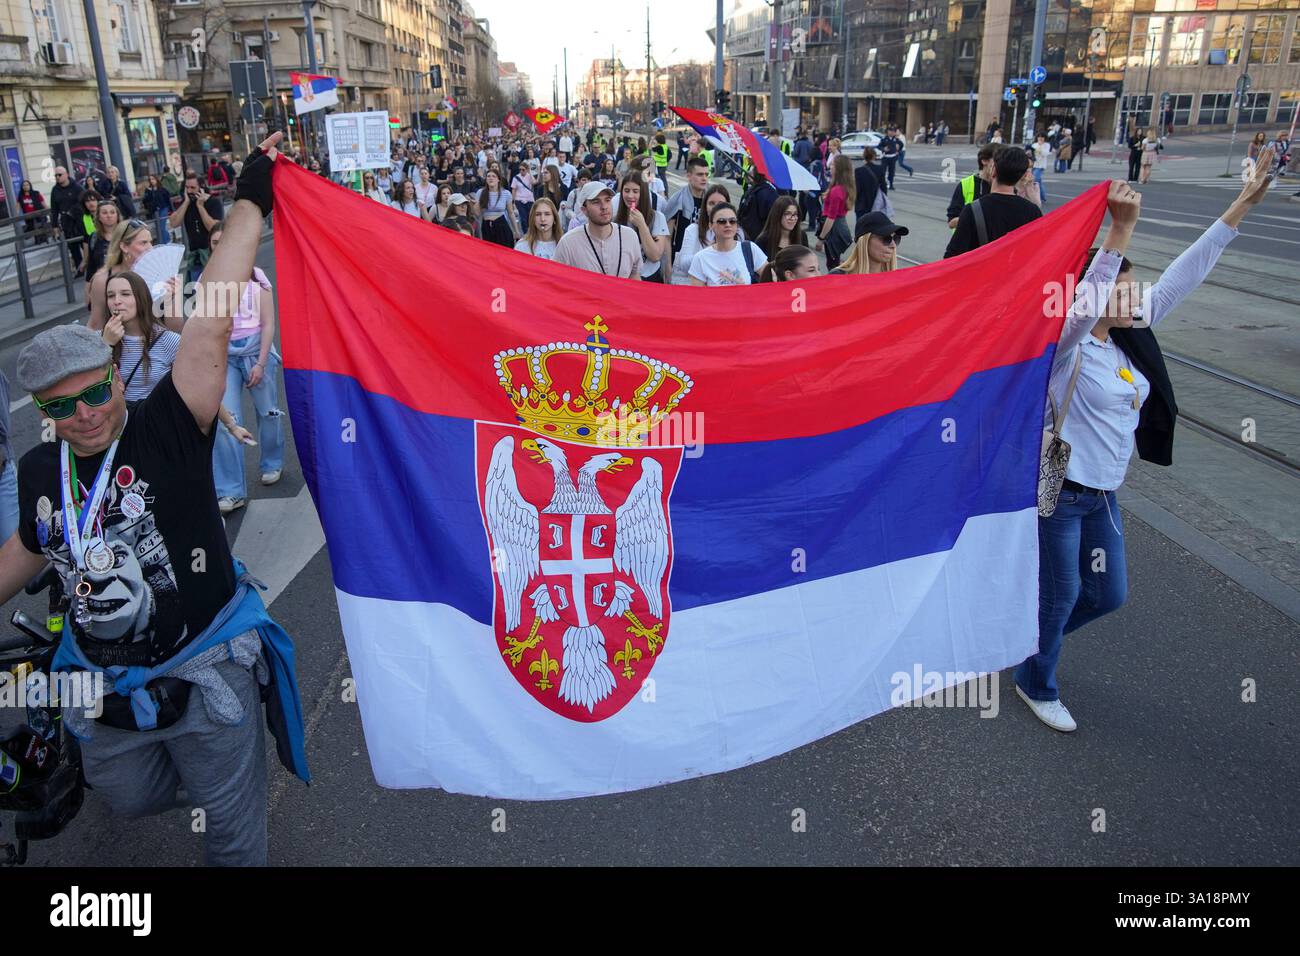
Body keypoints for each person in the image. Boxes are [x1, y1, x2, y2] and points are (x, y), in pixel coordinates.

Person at [1, 133, 306, 865]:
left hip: (204, 671)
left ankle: (227, 784)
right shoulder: (44, 471)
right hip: (100, 686)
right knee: (131, 797)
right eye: (64, 405)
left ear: (113, 377)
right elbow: (26, 548)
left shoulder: (167, 426)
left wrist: (251, 196)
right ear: (43, 408)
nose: (87, 414)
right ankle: (211, 782)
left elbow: (212, 312)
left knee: (232, 836)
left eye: (97, 391)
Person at [1017, 157, 1275, 732]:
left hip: (1105, 495)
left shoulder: (1132, 338)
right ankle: (1038, 680)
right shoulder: (1067, 348)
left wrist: (1240, 209)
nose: (1137, 293)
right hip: (1061, 492)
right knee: (1062, 596)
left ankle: (1031, 644)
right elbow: (1082, 310)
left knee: (1107, 595)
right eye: (1124, 284)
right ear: (1098, 291)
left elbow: (1188, 272)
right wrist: (1120, 230)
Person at [207, 222, 284, 514]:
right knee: (229, 420)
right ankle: (230, 490)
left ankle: (272, 463)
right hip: (224, 355)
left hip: (256, 352)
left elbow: (268, 324)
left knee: (269, 413)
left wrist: (262, 363)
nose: (219, 247)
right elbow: (207, 326)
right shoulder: (206, 279)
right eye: (214, 243)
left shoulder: (256, 276)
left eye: (223, 241)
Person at [99, 270, 182, 403]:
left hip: (156, 419)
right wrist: (106, 345)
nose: (117, 301)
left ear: (141, 298)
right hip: (118, 421)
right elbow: (92, 385)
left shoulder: (168, 340)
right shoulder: (98, 340)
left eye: (125, 294)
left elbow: (194, 385)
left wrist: (227, 421)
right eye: (110, 296)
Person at [944, 146, 1041, 258]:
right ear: (1021, 176)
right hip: (1016, 274)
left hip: (981, 273)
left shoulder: (973, 210)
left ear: (993, 170)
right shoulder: (1033, 212)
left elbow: (951, 257)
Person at [551, 181, 643, 279]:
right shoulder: (568, 243)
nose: (604, 207)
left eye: (607, 200)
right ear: (584, 210)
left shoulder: (630, 236)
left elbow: (635, 276)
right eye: (596, 202)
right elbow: (555, 280)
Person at [689, 202, 767, 286]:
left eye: (732, 221)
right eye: (722, 221)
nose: (728, 224)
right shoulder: (700, 258)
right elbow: (697, 296)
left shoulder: (750, 249)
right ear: (711, 225)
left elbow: (772, 279)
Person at [169, 170, 224, 282]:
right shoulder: (187, 203)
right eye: (187, 188)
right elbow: (174, 223)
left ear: (202, 187)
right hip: (195, 257)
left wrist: (200, 207)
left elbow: (213, 228)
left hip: (211, 255)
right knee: (195, 295)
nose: (189, 191)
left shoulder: (213, 202)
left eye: (193, 188)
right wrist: (185, 203)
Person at [672, 184, 733, 284]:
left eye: (720, 203)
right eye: (711, 203)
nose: (715, 207)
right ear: (705, 206)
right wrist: (710, 251)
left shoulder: (736, 232)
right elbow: (684, 264)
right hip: (696, 287)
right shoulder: (693, 229)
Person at [616, 175, 669, 282]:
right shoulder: (615, 220)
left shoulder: (657, 217)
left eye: (635, 191)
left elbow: (655, 255)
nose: (630, 195)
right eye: (626, 190)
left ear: (643, 193)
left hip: (650, 278)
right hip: (624, 279)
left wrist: (641, 225)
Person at [828, 211, 908, 275]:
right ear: (865, 241)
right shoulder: (837, 278)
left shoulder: (896, 282)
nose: (893, 245)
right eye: (886, 238)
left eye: (896, 238)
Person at [814, 154, 855, 271]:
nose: (830, 167)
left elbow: (831, 218)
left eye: (833, 165)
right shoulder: (845, 187)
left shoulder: (836, 191)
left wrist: (821, 239)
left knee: (832, 263)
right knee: (834, 261)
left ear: (839, 169)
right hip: (840, 226)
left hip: (834, 230)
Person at [50, 166, 86, 271]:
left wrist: (74, 211)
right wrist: (55, 226)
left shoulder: (77, 187)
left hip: (80, 221)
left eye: (59, 175)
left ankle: (94, 266)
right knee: (73, 247)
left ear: (66, 174)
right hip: (66, 222)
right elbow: (54, 209)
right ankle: (80, 269)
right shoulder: (55, 190)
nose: (57, 177)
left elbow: (85, 201)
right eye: (55, 175)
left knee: (85, 244)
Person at [82, 198, 121, 287]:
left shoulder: (126, 234)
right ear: (98, 217)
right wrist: (88, 291)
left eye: (112, 212)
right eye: (104, 213)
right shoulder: (94, 237)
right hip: (103, 285)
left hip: (125, 282)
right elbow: (91, 267)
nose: (109, 215)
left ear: (117, 215)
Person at [478, 169, 520, 248]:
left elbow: (511, 213)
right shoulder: (481, 192)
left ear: (498, 179)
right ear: (486, 179)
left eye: (493, 176)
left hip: (501, 225)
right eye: (488, 176)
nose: (491, 178)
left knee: (503, 252)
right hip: (486, 226)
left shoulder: (506, 193)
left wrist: (516, 231)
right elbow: (477, 213)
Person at [755, 244, 819, 282]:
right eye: (811, 270)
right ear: (790, 275)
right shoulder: (776, 302)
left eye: (818, 269)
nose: (819, 275)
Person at [139, 174, 173, 242]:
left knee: (161, 227)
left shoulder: (162, 189)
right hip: (154, 210)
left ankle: (165, 241)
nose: (152, 181)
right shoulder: (148, 190)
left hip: (163, 209)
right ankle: (166, 240)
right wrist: (149, 192)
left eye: (153, 179)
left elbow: (168, 199)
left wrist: (170, 209)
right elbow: (145, 201)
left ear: (157, 180)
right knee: (158, 227)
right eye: (150, 179)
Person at [510, 163, 534, 229]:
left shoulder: (529, 176)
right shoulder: (516, 177)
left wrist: (530, 172)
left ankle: (531, 232)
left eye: (523, 170)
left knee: (530, 217)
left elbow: (534, 182)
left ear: (526, 170)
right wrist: (513, 202)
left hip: (529, 199)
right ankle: (525, 233)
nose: (521, 171)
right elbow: (513, 190)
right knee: (523, 218)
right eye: (520, 169)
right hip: (519, 199)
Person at [1031, 133, 1051, 203]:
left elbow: (1045, 153)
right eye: (1039, 137)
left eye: (1042, 137)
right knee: (1038, 182)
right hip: (1033, 164)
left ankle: (1040, 197)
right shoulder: (1034, 144)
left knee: (1035, 179)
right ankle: (1042, 197)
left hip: (1041, 165)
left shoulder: (1046, 145)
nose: (1040, 138)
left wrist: (1040, 147)